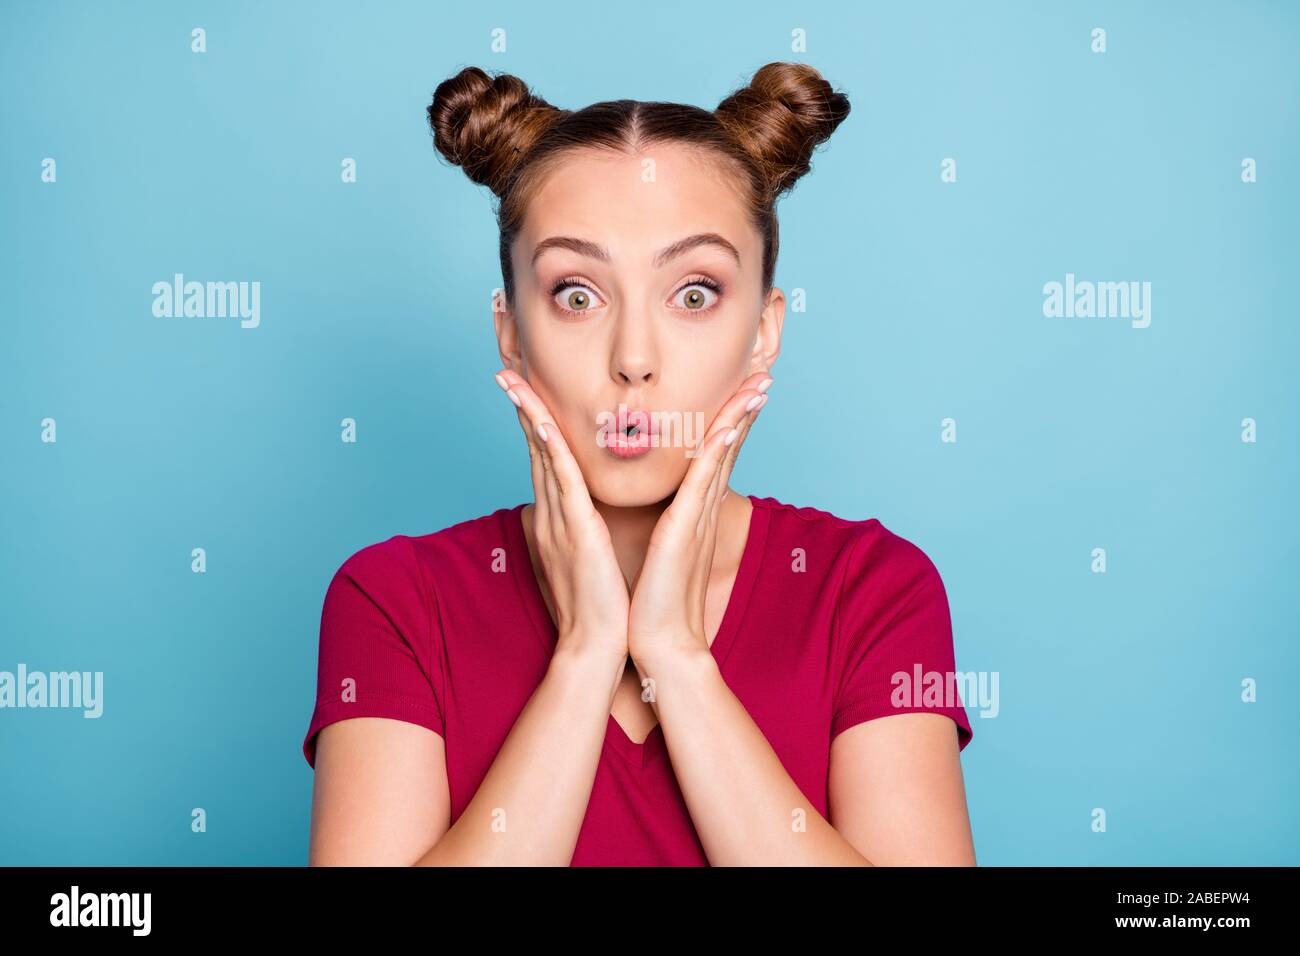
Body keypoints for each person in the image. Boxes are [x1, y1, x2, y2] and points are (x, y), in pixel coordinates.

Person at [303, 61, 975, 866]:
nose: (633, 359)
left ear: (764, 330)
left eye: (694, 293)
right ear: (510, 329)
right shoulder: (393, 601)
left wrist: (678, 660)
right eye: (576, 294)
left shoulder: (872, 590)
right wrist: (586, 656)